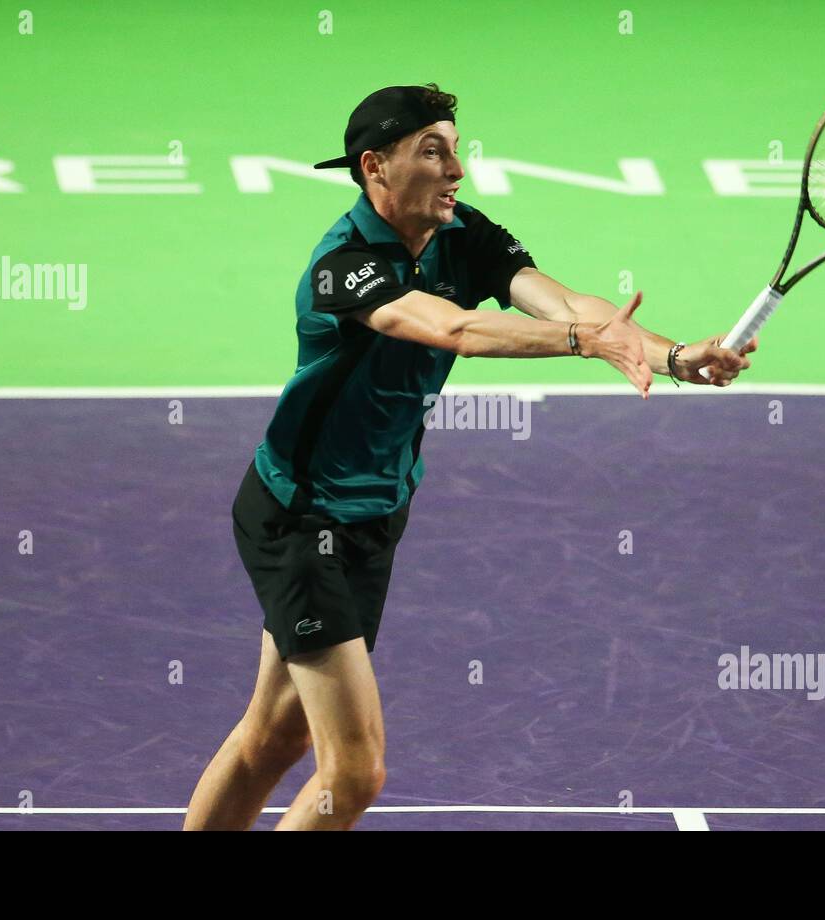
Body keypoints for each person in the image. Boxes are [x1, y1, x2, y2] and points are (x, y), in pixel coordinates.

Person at [183, 83, 755, 830]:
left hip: (375, 516)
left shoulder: (466, 236)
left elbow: (568, 305)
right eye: (432, 151)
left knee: (274, 735)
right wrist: (590, 342)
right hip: (301, 520)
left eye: (457, 149)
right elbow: (455, 329)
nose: (457, 169)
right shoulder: (344, 266)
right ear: (374, 168)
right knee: (353, 775)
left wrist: (675, 357)